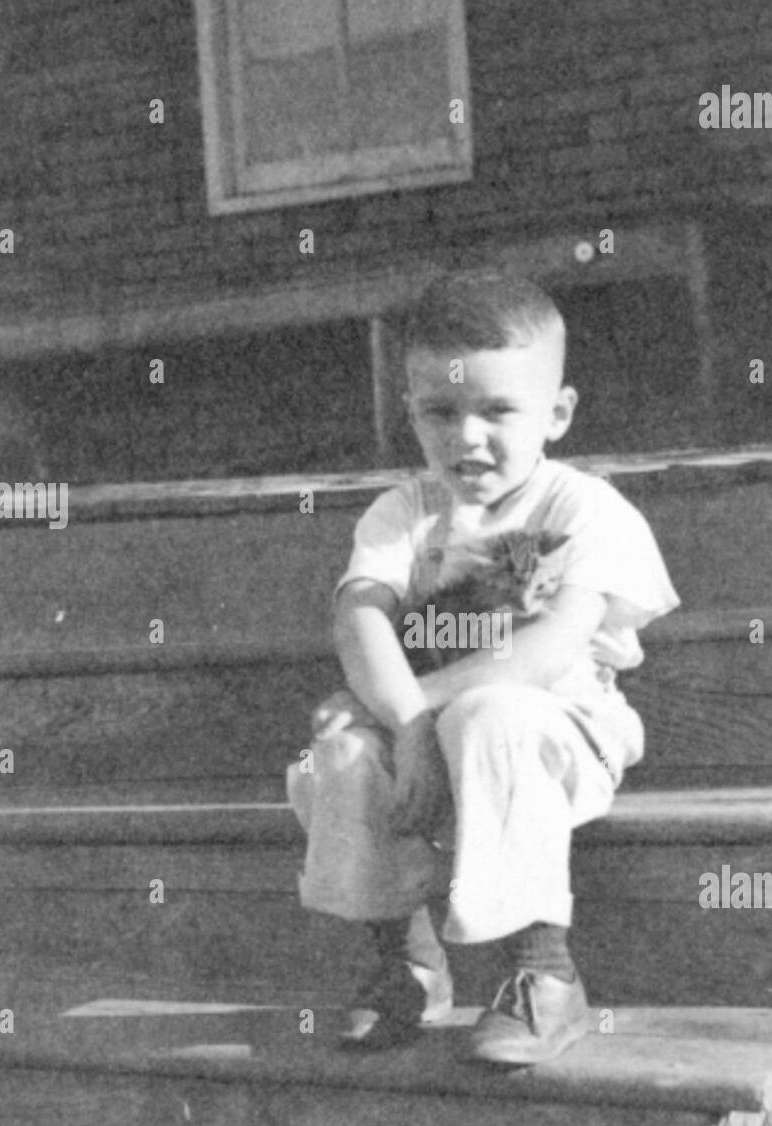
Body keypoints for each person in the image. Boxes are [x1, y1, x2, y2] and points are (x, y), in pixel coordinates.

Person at [288, 271, 679, 1064]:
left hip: (558, 733)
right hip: (425, 738)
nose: (467, 439)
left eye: (498, 410)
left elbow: (548, 648)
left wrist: (414, 711)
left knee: (491, 712)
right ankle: (408, 963)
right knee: (339, 748)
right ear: (410, 413)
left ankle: (542, 974)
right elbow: (359, 617)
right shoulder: (403, 514)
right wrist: (399, 723)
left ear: (557, 414)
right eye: (441, 411)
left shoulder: (581, 509)